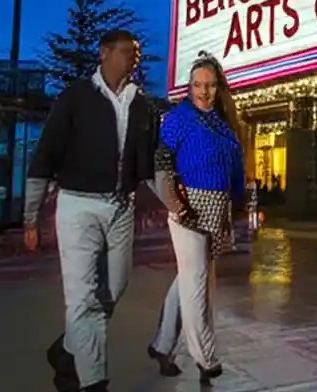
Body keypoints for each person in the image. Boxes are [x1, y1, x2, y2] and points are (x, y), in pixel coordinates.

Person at [24, 29, 158, 392]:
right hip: (78, 206)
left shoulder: (142, 104)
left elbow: (150, 163)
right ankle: (93, 382)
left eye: (138, 53)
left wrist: (163, 201)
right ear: (104, 53)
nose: (135, 59)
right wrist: (31, 217)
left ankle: (67, 350)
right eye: (129, 52)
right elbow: (45, 156)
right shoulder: (75, 98)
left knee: (114, 287)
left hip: (121, 208)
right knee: (83, 298)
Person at [147, 53, 245, 383]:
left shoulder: (222, 123)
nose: (203, 92)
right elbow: (161, 161)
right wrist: (175, 203)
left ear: (218, 88)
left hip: (217, 210)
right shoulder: (179, 118)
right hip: (188, 208)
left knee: (188, 279)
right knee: (198, 283)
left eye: (210, 86)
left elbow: (235, 169)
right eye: (197, 85)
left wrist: (237, 205)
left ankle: (162, 344)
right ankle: (205, 356)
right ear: (189, 87)